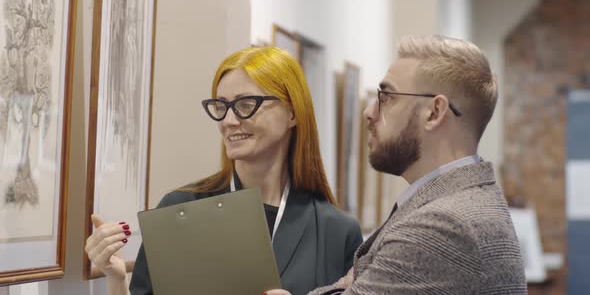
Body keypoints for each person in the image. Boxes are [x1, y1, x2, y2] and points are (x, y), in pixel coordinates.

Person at [85, 46, 363, 295]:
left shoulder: (336, 232)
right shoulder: (180, 209)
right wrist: (116, 280)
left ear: (292, 112)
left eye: (245, 105)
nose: (229, 120)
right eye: (221, 106)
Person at [266, 35, 526, 295]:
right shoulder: (466, 202)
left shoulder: (443, 225)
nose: (370, 112)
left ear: (434, 112)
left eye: (387, 96)